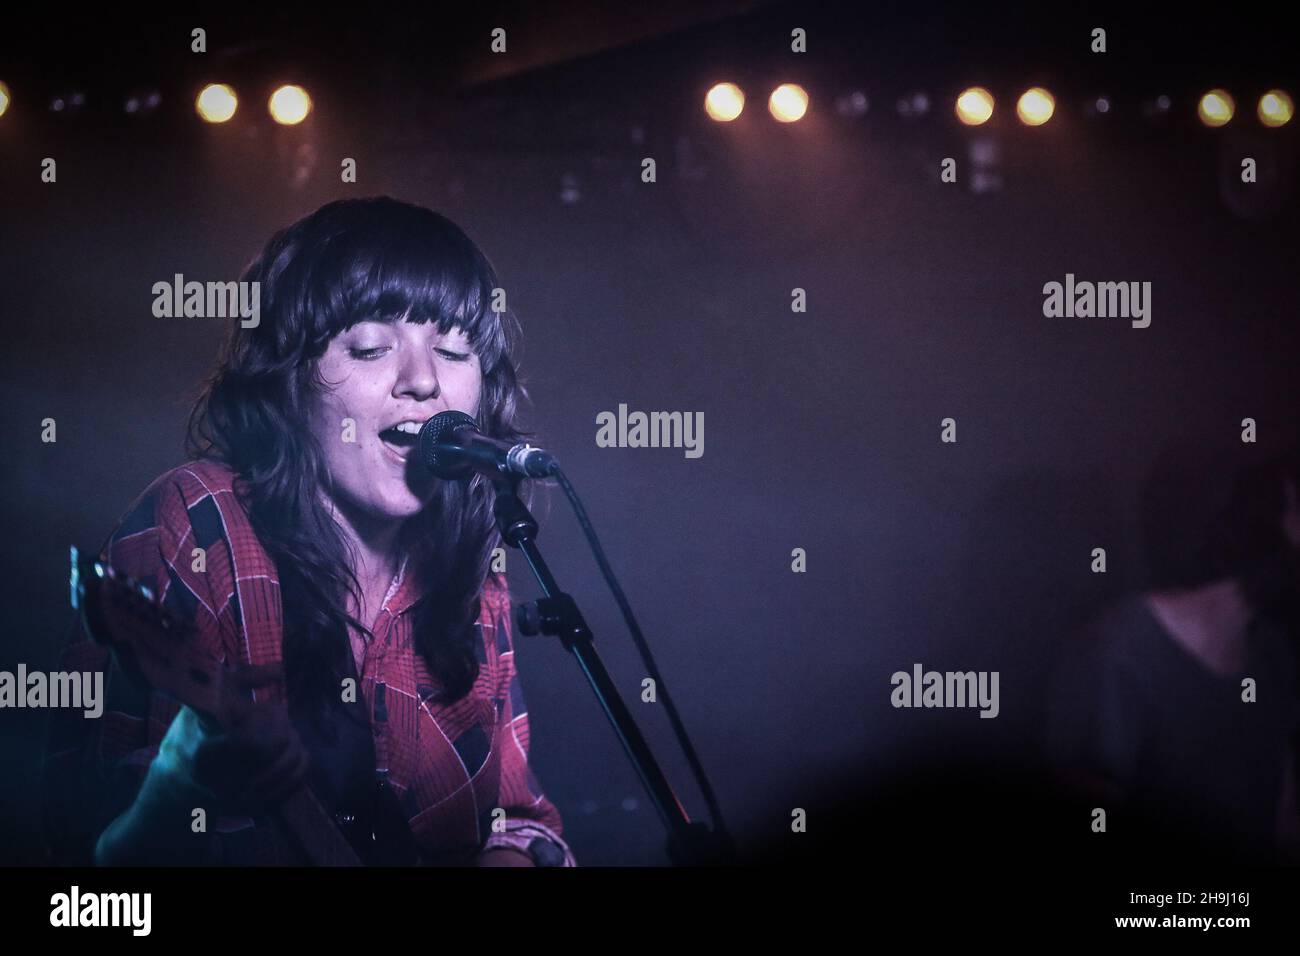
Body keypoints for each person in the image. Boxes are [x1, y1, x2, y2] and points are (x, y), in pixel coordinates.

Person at [42, 196, 576, 867]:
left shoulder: (472, 571)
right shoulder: (199, 526)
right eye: (372, 346)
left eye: (453, 348)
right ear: (289, 382)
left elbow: (522, 820)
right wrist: (176, 790)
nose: (424, 380)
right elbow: (82, 881)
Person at [1045, 438, 1300, 864]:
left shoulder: (1274, 656)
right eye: (1294, 511)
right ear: (1253, 525)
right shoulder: (1115, 658)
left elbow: (1284, 823)